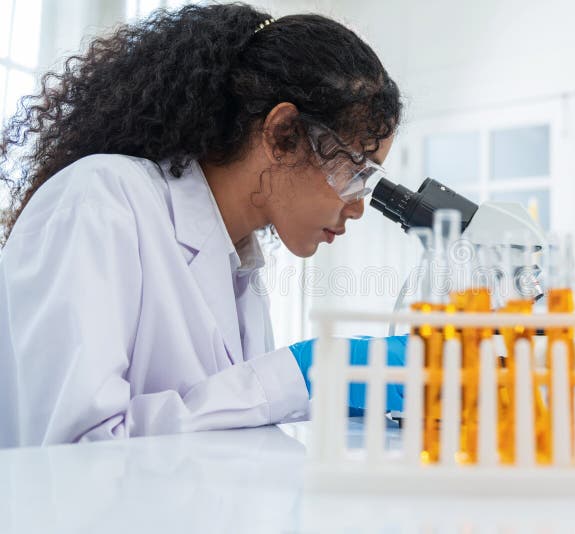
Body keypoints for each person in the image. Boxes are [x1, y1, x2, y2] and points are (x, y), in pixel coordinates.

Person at [0, 4, 406, 448]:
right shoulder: (98, 200)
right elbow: (74, 451)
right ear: (283, 134)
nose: (357, 206)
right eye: (356, 169)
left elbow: (231, 436)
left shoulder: (240, 265)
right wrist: (297, 375)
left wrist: (327, 402)